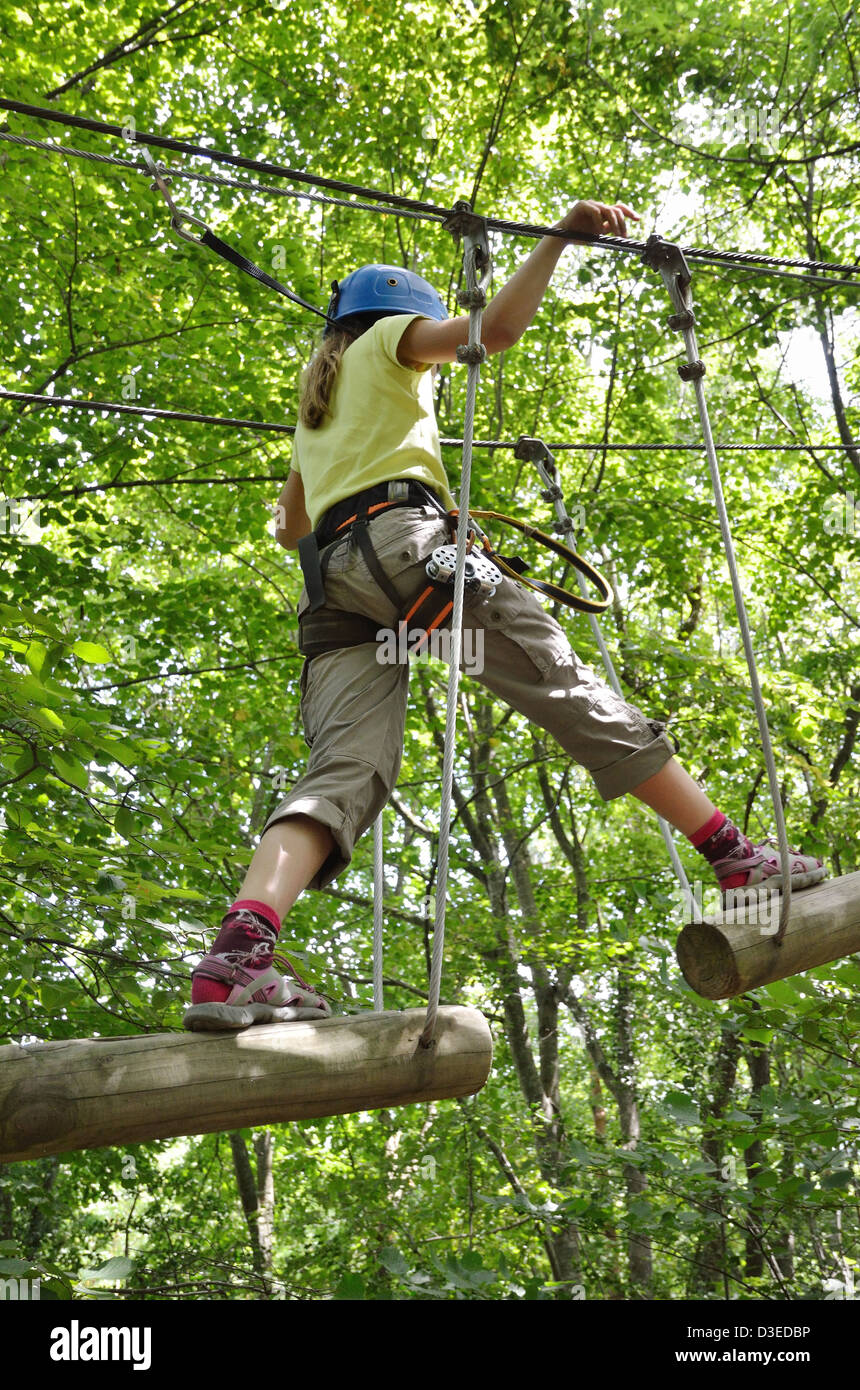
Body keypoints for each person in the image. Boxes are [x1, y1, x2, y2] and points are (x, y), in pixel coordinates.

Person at [183, 200, 825, 1033]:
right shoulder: (392, 343)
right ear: (398, 322)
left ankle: (235, 959)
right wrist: (559, 238)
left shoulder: (315, 410)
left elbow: (290, 529)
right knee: (567, 689)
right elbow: (496, 329)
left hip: (334, 594)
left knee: (341, 773)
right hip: (410, 550)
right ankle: (737, 861)